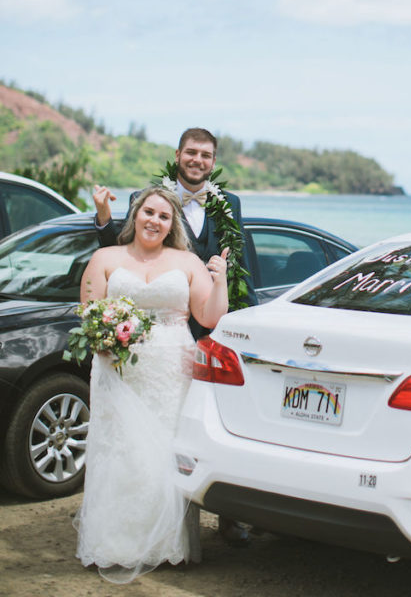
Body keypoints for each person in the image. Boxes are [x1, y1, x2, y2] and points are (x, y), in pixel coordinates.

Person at [76, 185, 228, 582]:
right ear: (135, 214)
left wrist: (221, 279)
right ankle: (115, 542)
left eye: (163, 216)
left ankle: (164, 544)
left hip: (171, 370)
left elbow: (208, 317)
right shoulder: (106, 256)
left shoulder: (187, 261)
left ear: (171, 224)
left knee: (164, 450)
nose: (154, 221)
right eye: (148, 212)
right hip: (118, 370)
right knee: (119, 450)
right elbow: (89, 310)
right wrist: (103, 337)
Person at [93, 127, 256, 315]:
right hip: (166, 314)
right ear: (178, 155)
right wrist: (104, 216)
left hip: (215, 320)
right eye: (191, 152)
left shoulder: (230, 203)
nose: (197, 160)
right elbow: (121, 254)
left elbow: (242, 263)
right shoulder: (146, 200)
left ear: (213, 162)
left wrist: (249, 318)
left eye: (205, 155)